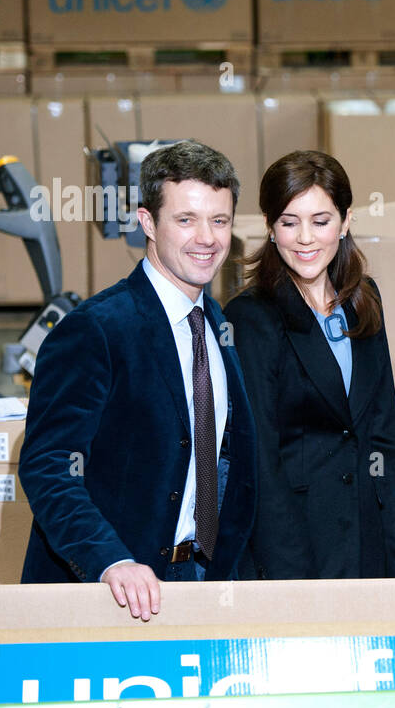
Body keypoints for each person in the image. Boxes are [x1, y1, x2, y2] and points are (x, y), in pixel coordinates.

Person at [19, 140, 257, 620]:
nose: (206, 238)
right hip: (109, 592)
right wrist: (111, 561)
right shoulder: (96, 330)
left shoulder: (215, 324)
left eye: (220, 220)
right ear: (148, 222)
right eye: (186, 220)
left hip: (200, 582)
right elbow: (48, 466)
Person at [223, 151, 395, 579]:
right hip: (296, 548)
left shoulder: (364, 299)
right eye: (289, 223)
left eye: (321, 221)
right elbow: (260, 462)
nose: (305, 238)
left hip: (369, 539)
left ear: (345, 222)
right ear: (271, 229)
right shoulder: (251, 318)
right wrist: (294, 578)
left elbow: (383, 435)